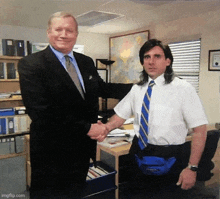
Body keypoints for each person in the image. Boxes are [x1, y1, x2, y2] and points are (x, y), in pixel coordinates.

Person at [18, 11, 132, 198]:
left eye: (69, 30)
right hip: (51, 152)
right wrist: (87, 128)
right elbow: (42, 112)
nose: (64, 34)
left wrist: (139, 87)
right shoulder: (31, 64)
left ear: (76, 34)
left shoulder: (85, 62)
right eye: (58, 29)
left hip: (80, 150)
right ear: (48, 32)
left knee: (75, 193)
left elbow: (102, 88)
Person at [105, 39, 208, 193]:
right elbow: (120, 116)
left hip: (170, 158)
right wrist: (105, 128)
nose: (151, 61)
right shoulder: (137, 89)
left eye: (157, 56)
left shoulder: (183, 89)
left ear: (168, 61)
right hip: (139, 152)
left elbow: (200, 130)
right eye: (147, 57)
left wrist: (192, 168)